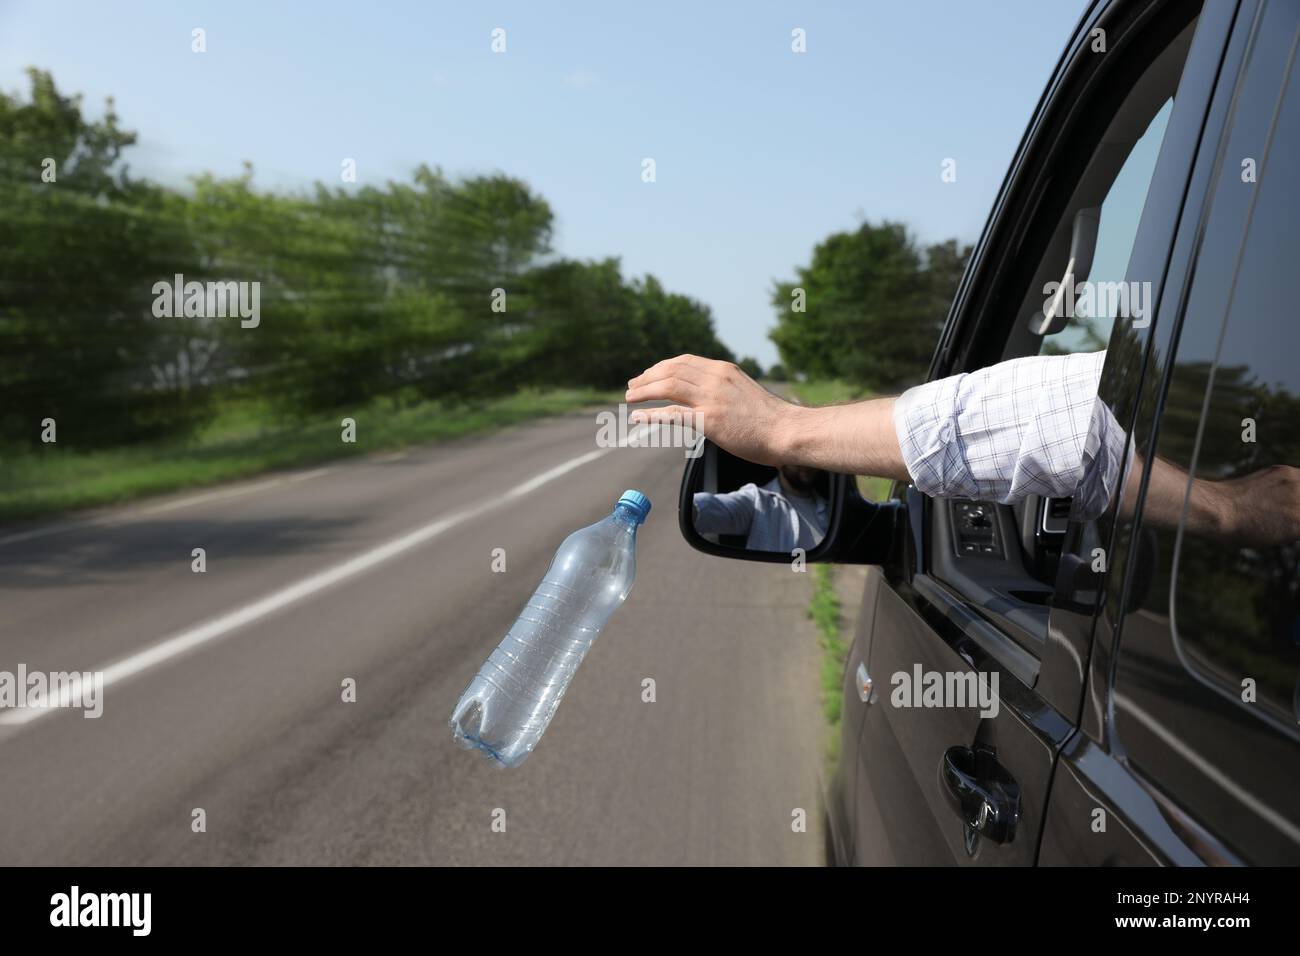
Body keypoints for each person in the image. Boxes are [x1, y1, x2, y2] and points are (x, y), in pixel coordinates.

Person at [625, 352, 1300, 549]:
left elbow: (1063, 427)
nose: (804, 466)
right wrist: (1221, 507)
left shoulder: (791, 466)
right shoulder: (755, 505)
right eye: (791, 462)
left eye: (816, 459)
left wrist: (784, 426)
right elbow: (706, 515)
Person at [693, 463, 829, 552]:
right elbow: (718, 508)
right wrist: (691, 510)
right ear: (778, 460)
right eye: (796, 455)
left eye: (809, 456)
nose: (805, 464)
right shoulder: (758, 501)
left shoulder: (830, 508)